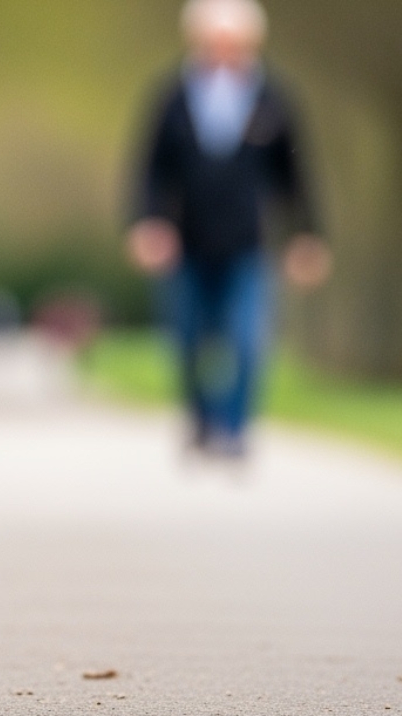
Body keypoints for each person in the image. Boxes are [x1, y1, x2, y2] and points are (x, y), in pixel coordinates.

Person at [128, 0, 330, 459]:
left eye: (232, 41)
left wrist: (307, 235)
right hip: (186, 242)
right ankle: (201, 419)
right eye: (213, 40)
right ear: (196, 40)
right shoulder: (173, 96)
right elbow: (152, 170)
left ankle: (235, 429)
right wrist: (148, 224)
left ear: (249, 43)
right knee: (187, 338)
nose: (223, 50)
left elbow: (296, 175)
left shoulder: (273, 99)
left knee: (246, 338)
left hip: (248, 244)